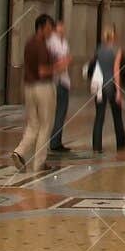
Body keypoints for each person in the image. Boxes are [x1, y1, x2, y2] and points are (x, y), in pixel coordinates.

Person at [12, 15, 57, 174]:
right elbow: (43, 70)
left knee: (33, 124)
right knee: (46, 124)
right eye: (50, 28)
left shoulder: (29, 43)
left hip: (29, 87)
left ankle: (20, 152)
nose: (51, 31)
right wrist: (59, 66)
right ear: (42, 27)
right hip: (43, 87)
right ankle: (40, 162)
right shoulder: (41, 45)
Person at [90, 27, 125, 154]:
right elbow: (116, 71)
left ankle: (96, 146)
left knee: (99, 116)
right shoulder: (117, 50)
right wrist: (119, 91)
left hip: (99, 85)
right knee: (117, 116)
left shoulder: (98, 49)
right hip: (111, 85)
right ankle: (121, 144)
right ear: (114, 36)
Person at [47, 20, 72, 154]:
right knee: (56, 112)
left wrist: (65, 62)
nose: (63, 29)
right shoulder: (52, 41)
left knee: (61, 113)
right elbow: (55, 61)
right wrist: (62, 63)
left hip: (64, 80)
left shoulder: (64, 41)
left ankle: (57, 140)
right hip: (55, 81)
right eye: (61, 27)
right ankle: (53, 141)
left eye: (64, 26)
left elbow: (67, 59)